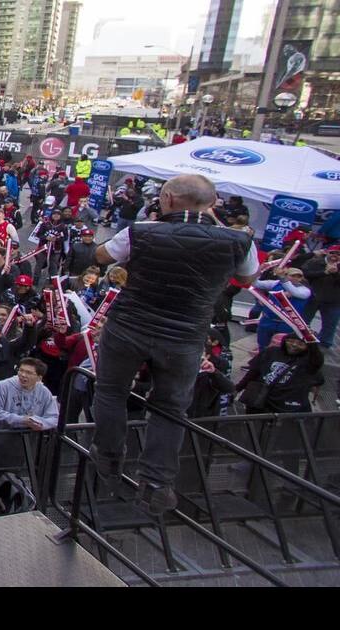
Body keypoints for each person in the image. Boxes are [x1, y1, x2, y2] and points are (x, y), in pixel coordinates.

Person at [90, 174, 257, 514]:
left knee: (111, 391)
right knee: (170, 407)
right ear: (212, 205)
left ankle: (108, 457)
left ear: (166, 199)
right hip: (184, 336)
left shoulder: (141, 231)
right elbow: (248, 277)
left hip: (130, 327)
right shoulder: (238, 241)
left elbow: (102, 254)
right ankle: (156, 483)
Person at [0, 358, 59, 432]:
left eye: (29, 373)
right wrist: (22, 420)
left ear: (39, 378)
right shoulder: (1, 387)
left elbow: (54, 418)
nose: (23, 375)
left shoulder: (44, 392)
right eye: (21, 370)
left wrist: (40, 423)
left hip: (28, 438)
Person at [302, 245, 340, 348]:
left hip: (334, 301)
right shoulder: (315, 262)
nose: (335, 256)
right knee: (302, 322)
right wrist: (324, 273)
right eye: (332, 252)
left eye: (338, 254)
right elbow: (305, 273)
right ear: (327, 252)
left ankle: (324, 348)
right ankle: (299, 339)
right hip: (312, 298)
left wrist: (335, 273)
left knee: (329, 326)